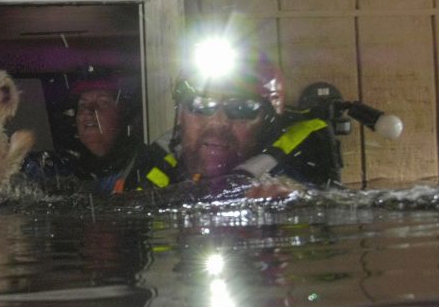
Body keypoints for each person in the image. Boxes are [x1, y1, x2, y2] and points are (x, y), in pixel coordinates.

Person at [115, 42, 341, 197]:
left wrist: (291, 210)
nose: (217, 122)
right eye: (201, 105)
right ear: (181, 114)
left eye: (241, 108)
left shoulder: (295, 181)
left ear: (269, 121)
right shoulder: (148, 171)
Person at [23, 70, 142, 194]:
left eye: (103, 103)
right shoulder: (65, 169)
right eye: (82, 104)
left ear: (124, 114)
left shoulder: (141, 167)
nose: (88, 111)